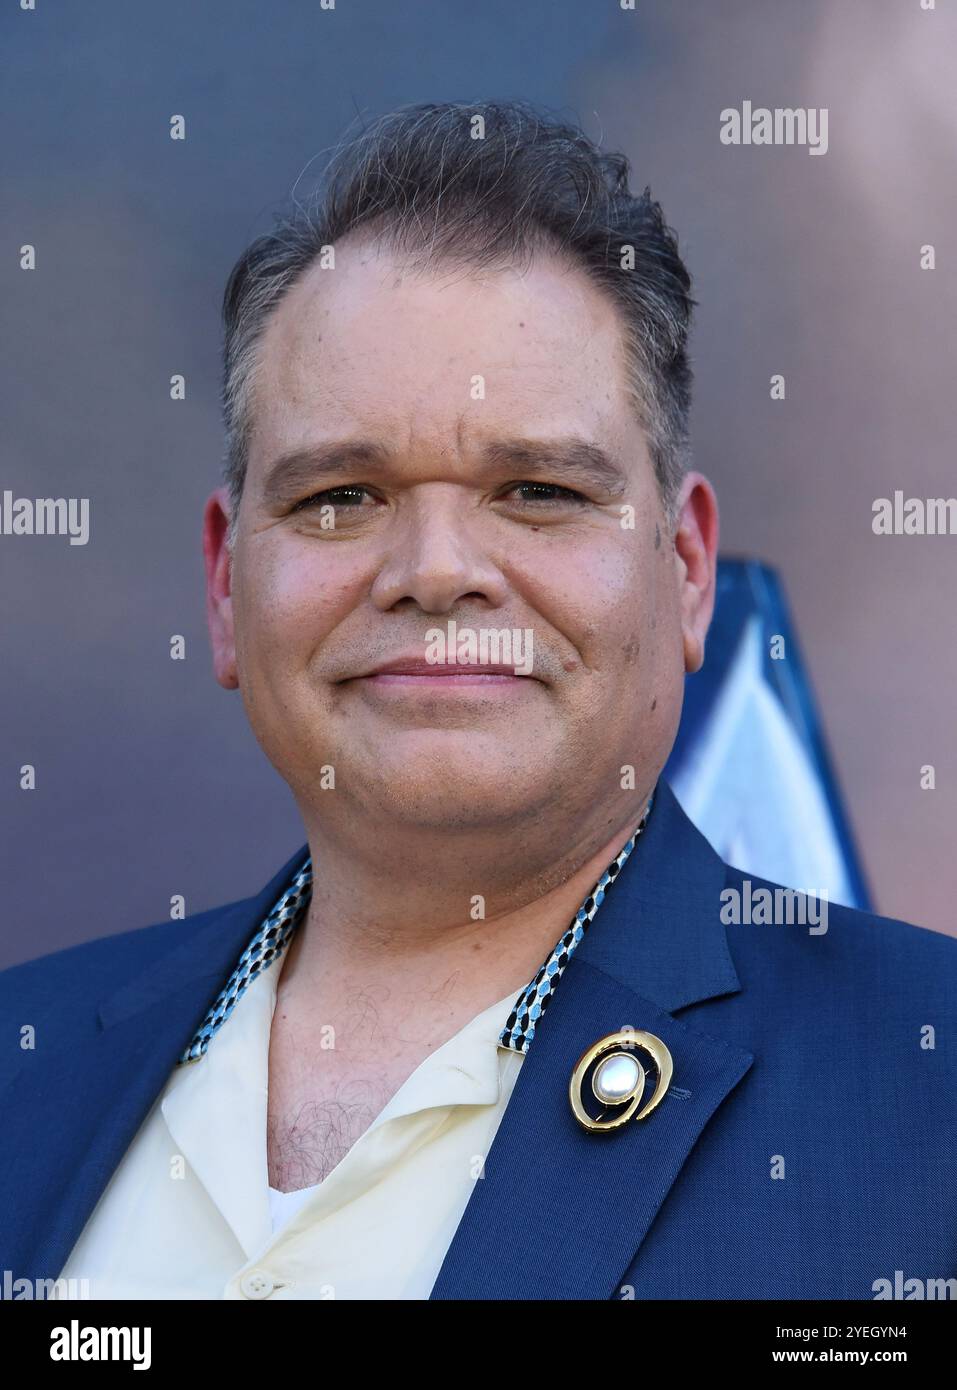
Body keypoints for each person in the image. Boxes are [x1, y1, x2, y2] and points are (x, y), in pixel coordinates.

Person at [1, 100, 954, 1302]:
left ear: (689, 568)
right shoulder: (18, 1058)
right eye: (342, 496)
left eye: (540, 490)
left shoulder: (931, 1094)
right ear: (224, 584)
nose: (436, 569)